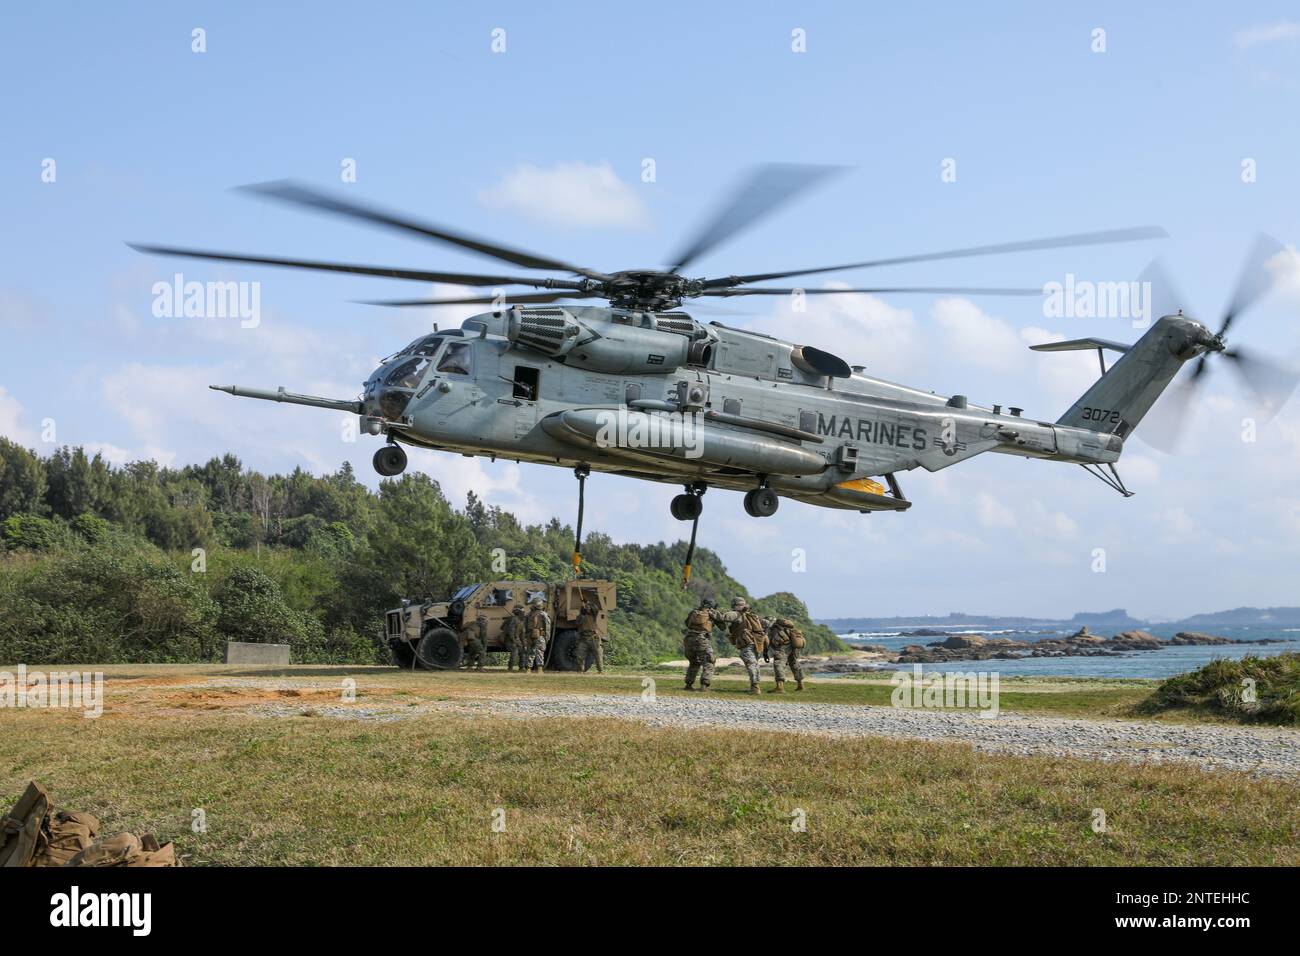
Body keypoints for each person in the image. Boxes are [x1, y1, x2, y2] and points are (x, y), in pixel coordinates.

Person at [712, 597, 765, 694]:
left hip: (747, 644)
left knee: (751, 665)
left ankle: (755, 687)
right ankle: (755, 685)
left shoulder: (736, 614)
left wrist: (712, 611)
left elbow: (722, 617)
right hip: (756, 644)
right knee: (754, 664)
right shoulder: (750, 615)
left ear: (734, 605)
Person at [682, 598, 717, 691]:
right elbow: (722, 626)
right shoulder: (711, 613)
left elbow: (686, 623)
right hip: (701, 639)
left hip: (688, 639)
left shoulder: (694, 612)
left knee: (694, 662)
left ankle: (688, 685)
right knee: (709, 662)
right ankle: (704, 686)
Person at [766, 617, 806, 692]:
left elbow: (769, 641)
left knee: (778, 664)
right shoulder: (786, 629)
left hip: (783, 648)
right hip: (793, 647)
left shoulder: (773, 629)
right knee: (794, 664)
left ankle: (780, 687)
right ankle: (801, 685)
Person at [573, 596, 604, 674]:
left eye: (588, 608)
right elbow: (577, 623)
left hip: (593, 637)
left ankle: (600, 670)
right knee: (580, 655)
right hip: (583, 638)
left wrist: (587, 602)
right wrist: (582, 615)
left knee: (598, 654)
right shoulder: (580, 617)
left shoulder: (593, 615)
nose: (587, 608)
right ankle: (580, 670)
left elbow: (595, 608)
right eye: (586, 607)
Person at [525, 598, 551, 673]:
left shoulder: (528, 615)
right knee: (539, 652)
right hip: (540, 635)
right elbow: (548, 628)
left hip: (530, 635)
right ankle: (539, 669)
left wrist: (526, 636)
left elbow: (525, 626)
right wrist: (547, 638)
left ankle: (528, 669)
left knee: (530, 652)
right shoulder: (544, 615)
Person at [503, 606, 528, 672]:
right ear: (519, 612)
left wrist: (523, 644)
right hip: (510, 640)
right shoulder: (514, 619)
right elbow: (510, 631)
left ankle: (522, 667)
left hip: (516, 640)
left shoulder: (521, 621)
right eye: (522, 612)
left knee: (523, 651)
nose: (523, 613)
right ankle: (510, 668)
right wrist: (514, 640)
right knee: (515, 651)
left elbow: (522, 635)